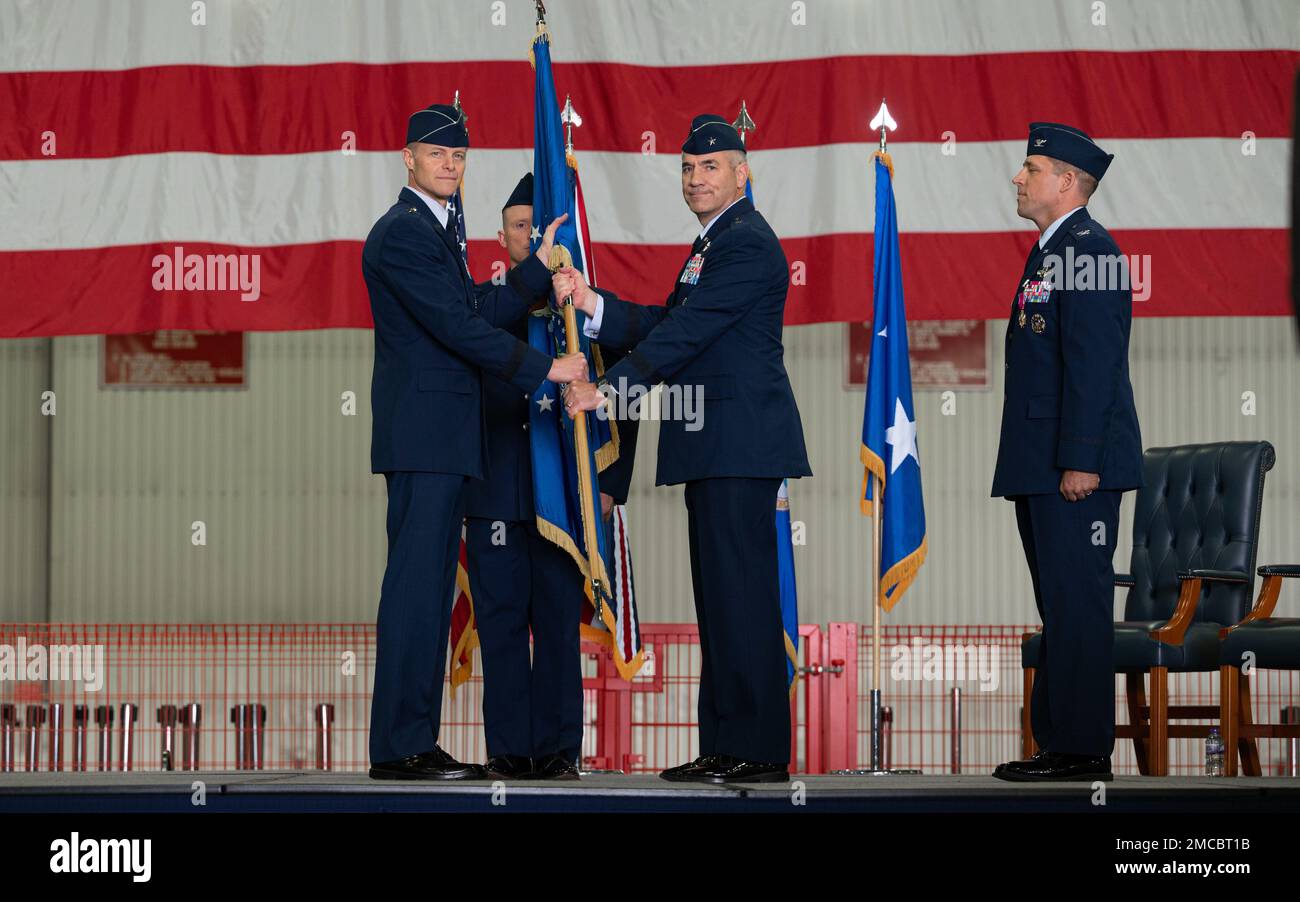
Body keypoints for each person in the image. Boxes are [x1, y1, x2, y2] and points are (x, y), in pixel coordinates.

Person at [555, 114, 811, 784]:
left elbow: (686, 333)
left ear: (741, 170)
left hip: (740, 445)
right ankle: (728, 744)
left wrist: (608, 391)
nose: (697, 179)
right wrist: (593, 305)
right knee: (722, 601)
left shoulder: (745, 242)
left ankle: (757, 750)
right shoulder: (712, 244)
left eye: (711, 167)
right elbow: (668, 321)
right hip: (715, 445)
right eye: (689, 169)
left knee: (744, 600)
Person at [363, 104, 585, 780]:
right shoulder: (404, 234)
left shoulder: (439, 234)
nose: (449, 164)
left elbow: (476, 311)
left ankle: (413, 741)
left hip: (443, 443)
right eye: (436, 154)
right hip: (426, 440)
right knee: (414, 594)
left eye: (458, 155)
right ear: (408, 158)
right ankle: (401, 746)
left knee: (428, 595)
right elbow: (460, 332)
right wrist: (547, 367)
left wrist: (538, 268)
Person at [463, 174, 640, 781]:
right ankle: (510, 751)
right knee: (503, 626)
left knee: (559, 628)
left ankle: (561, 749)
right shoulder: (482, 308)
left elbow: (624, 393)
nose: (530, 236)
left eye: (541, 227)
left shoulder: (583, 312)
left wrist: (611, 481)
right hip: (494, 495)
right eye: (520, 226)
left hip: (567, 498)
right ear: (502, 235)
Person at [991, 122, 1143, 782]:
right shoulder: (1050, 253)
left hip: (1076, 466)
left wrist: (1083, 458)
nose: (1018, 179)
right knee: (1059, 603)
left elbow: (1095, 362)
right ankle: (1059, 746)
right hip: (1043, 461)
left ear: (1067, 182)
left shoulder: (1089, 250)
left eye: (1031, 168)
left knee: (1078, 603)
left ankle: (1082, 751)